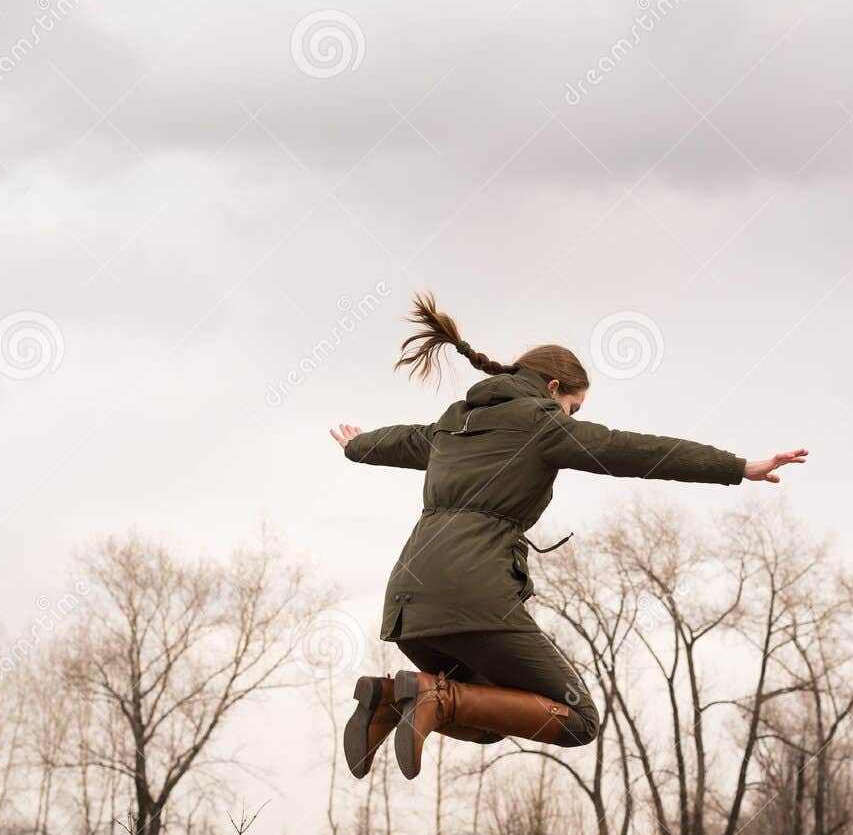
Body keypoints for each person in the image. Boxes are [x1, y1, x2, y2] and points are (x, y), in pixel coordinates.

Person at [331, 293, 807, 781]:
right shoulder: (542, 424)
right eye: (572, 406)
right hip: (473, 598)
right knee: (578, 720)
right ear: (553, 387)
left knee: (493, 713)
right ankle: (427, 697)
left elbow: (395, 440)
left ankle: (390, 699)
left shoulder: (453, 425)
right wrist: (738, 468)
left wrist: (355, 446)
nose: (571, 417)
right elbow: (637, 452)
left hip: (408, 605)